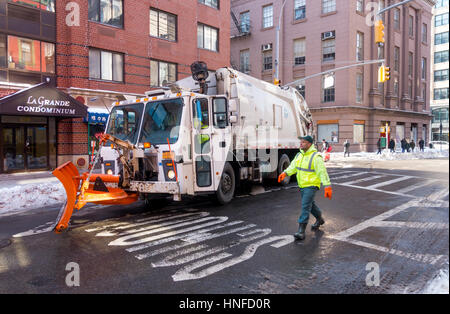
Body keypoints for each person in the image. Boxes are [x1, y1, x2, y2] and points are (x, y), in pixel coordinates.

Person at [278, 135, 332, 241]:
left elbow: (322, 172)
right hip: (302, 185)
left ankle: (301, 231)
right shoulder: (299, 155)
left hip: (311, 185)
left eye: (303, 142)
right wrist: (285, 173)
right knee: (310, 205)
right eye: (301, 142)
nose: (301, 143)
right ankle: (320, 219)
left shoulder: (316, 157)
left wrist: (327, 186)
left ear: (309, 144)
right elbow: (293, 166)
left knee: (305, 206)